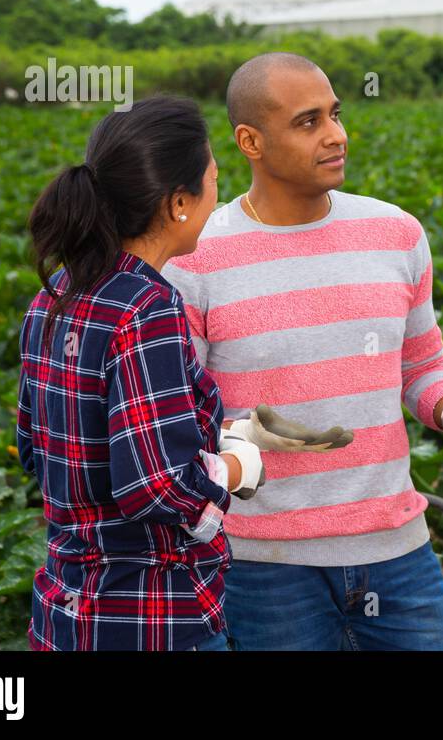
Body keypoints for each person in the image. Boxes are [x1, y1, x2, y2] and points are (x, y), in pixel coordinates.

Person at [162, 52, 443, 651]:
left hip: (396, 549)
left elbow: (421, 366)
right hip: (264, 568)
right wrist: (244, 434)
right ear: (250, 140)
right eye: (308, 122)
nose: (336, 135)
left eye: (335, 114)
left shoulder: (396, 235)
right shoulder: (196, 259)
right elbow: (179, 423)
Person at [16, 95, 273, 650]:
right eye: (212, 182)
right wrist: (235, 464)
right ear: (179, 202)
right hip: (151, 617)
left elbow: (35, 450)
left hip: (68, 611)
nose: (216, 199)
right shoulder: (148, 306)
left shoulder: (53, 296)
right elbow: (153, 486)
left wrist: (201, 440)